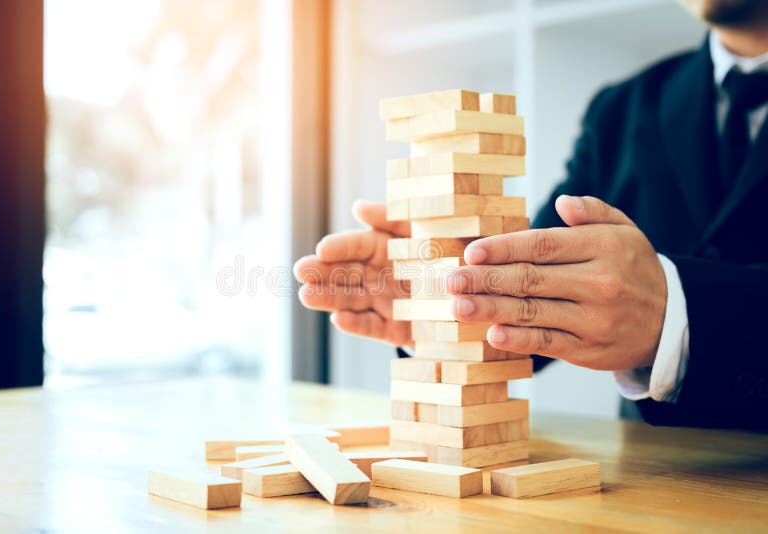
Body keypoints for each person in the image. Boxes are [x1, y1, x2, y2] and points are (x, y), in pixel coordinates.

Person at [293, 0, 768, 431]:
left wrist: (680, 315)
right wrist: (456, 300)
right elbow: (537, 275)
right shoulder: (620, 108)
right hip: (652, 487)